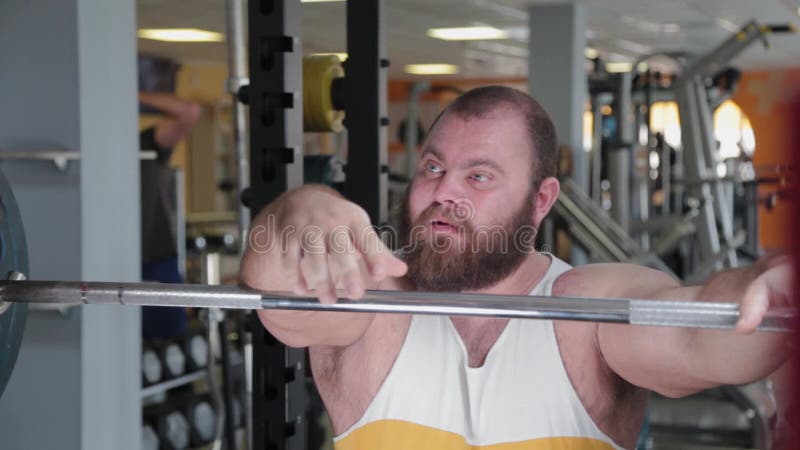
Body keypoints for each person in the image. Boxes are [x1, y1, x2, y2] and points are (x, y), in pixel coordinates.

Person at [240, 86, 793, 449]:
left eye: (478, 176)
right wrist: (305, 208)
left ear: (541, 199)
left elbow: (704, 335)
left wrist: (767, 291)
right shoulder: (377, 298)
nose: (444, 191)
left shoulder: (585, 307)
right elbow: (278, 299)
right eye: (433, 167)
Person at [138, 91, 201, 338]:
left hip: (157, 261)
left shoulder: (145, 144)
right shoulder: (89, 153)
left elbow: (190, 111)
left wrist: (131, 93)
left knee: (171, 348)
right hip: (111, 264)